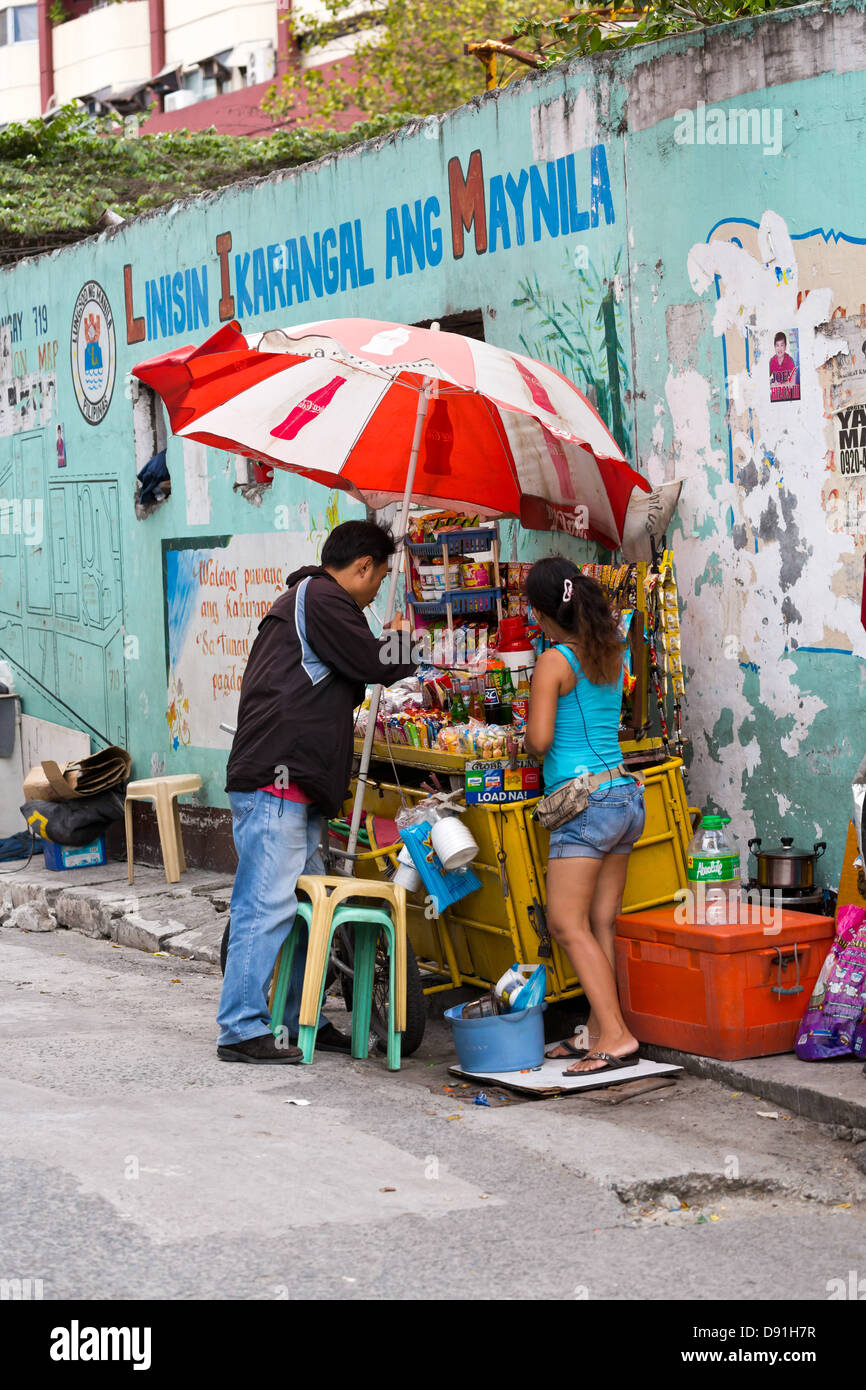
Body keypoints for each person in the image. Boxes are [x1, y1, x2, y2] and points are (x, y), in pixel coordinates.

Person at [217, 520, 416, 1064]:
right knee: (266, 905)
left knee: (304, 909)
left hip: (297, 786)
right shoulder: (323, 599)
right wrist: (405, 635)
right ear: (361, 567)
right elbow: (378, 663)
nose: (377, 590)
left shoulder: (314, 603)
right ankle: (239, 1028)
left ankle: (292, 1021)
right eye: (379, 578)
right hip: (274, 782)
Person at [523, 556, 645, 1076]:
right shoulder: (610, 652)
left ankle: (615, 1036)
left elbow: (540, 741)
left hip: (584, 805)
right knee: (601, 922)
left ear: (545, 614)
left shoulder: (554, 661)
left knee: (566, 923)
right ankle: (596, 1031)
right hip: (623, 796)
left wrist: (527, 731)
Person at [770, 332, 798, 402]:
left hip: (788, 398)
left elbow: (793, 384)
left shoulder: (790, 360)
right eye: (777, 345)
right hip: (775, 397)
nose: (779, 349)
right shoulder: (772, 361)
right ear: (774, 347)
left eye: (782, 345)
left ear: (785, 346)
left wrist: (777, 386)